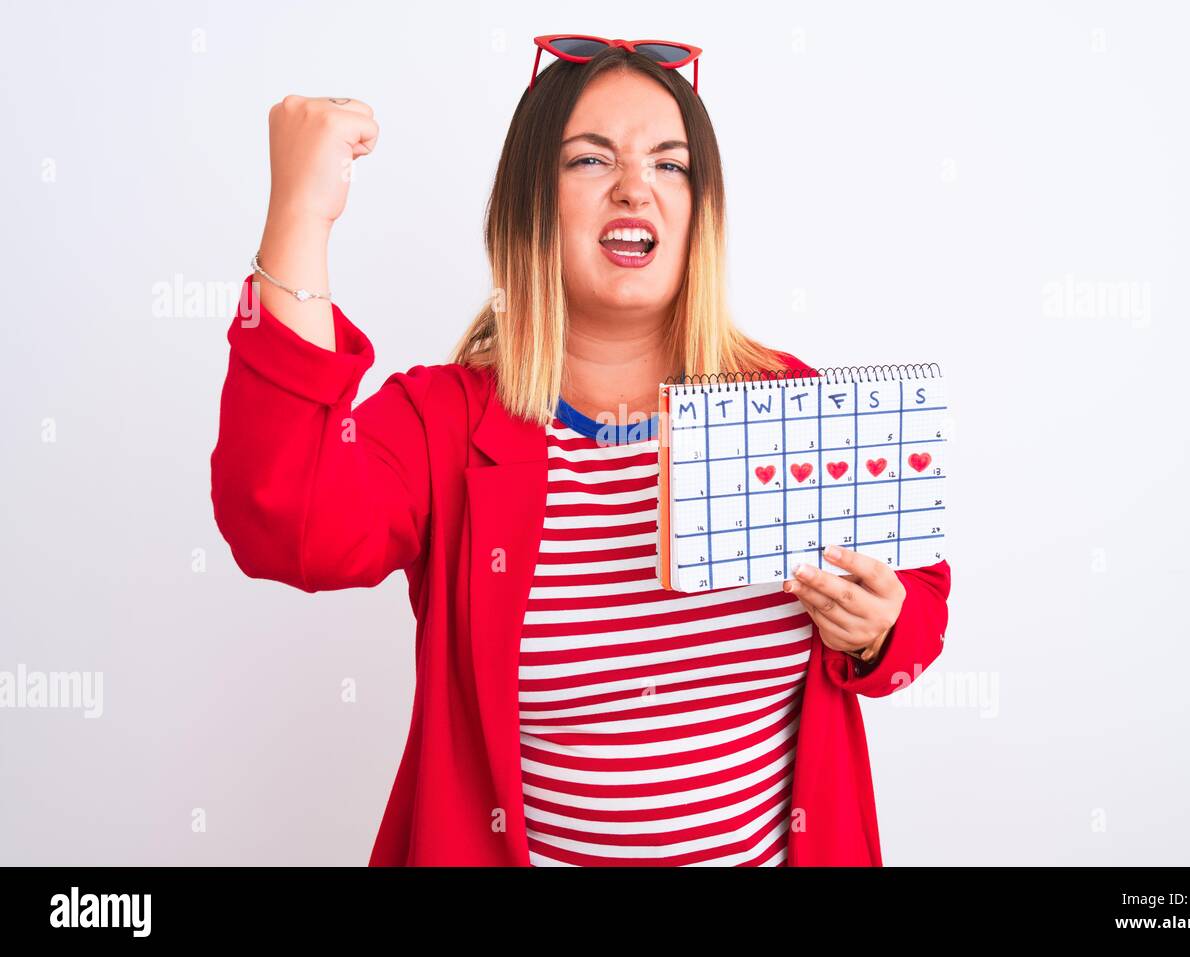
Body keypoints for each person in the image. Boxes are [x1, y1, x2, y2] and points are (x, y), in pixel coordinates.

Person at [210, 39, 951, 866]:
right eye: (591, 159)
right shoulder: (443, 422)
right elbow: (287, 525)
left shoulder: (787, 401)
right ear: (531, 203)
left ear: (700, 211)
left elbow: (916, 606)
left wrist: (878, 631)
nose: (636, 185)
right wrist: (300, 218)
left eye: (670, 166)